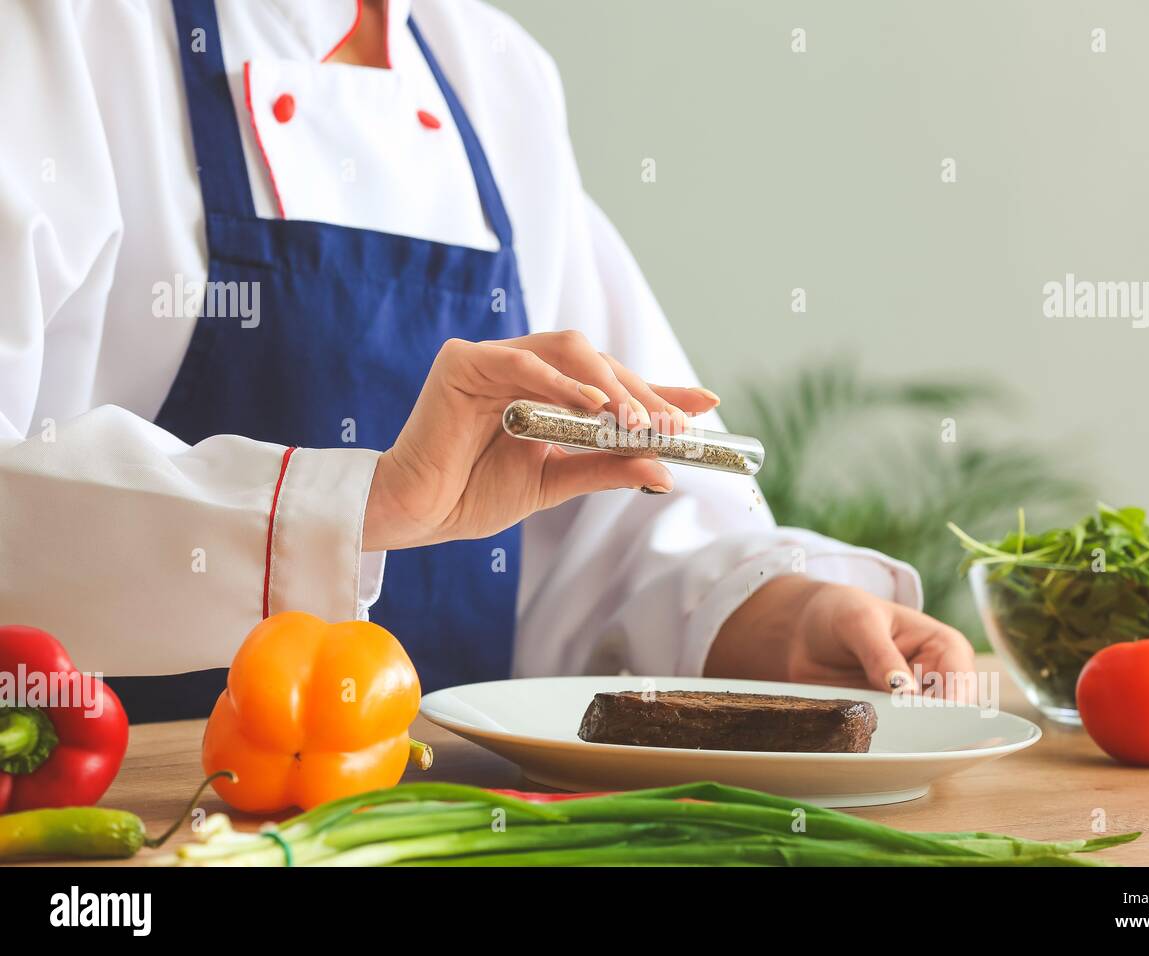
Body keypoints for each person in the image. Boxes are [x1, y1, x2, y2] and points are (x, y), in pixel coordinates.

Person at [0, 0, 974, 721]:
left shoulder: (491, 70)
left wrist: (781, 616)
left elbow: (613, 502)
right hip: (133, 825)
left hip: (462, 819)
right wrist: (361, 503)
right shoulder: (56, 34)